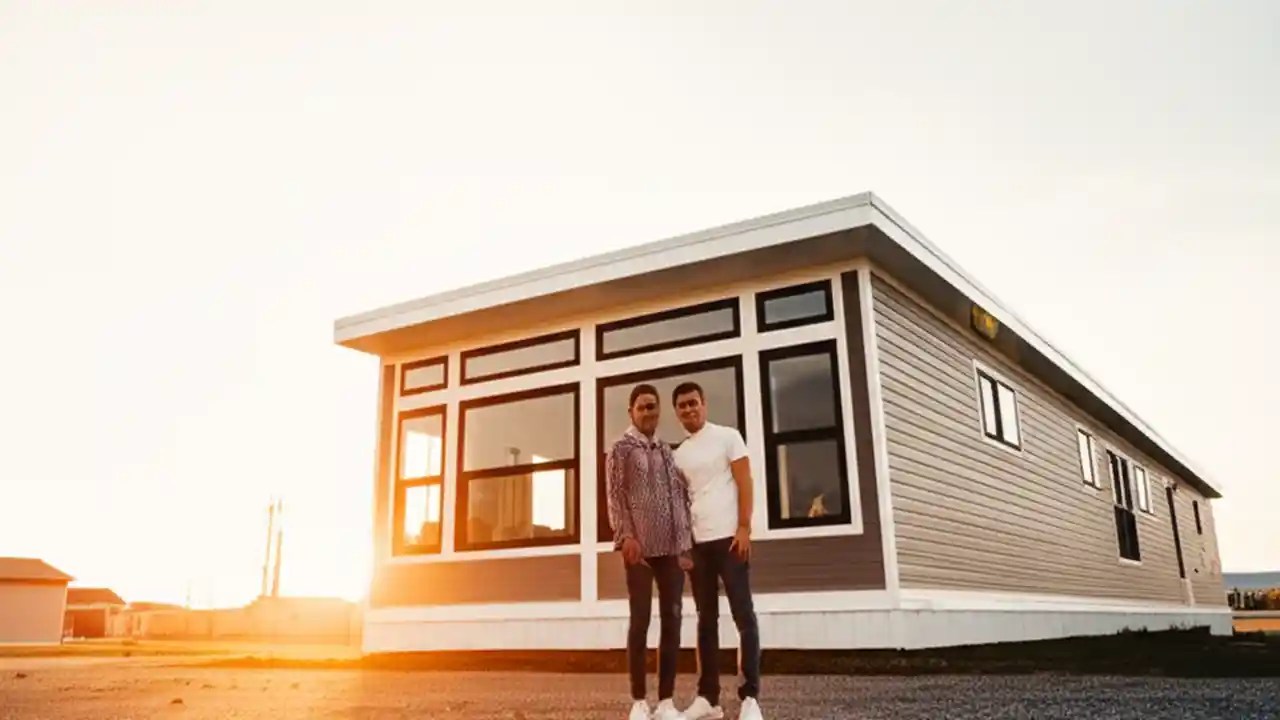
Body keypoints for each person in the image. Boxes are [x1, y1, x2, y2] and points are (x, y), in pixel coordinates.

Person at [671, 381, 763, 720]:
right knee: (705, 621)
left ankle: (750, 698)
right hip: (698, 545)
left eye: (693, 402)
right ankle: (708, 700)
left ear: (704, 404)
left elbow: (745, 481)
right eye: (682, 405)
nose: (689, 409)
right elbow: (680, 503)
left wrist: (744, 527)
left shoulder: (728, 437)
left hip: (730, 540)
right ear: (676, 412)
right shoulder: (679, 455)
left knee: (743, 615)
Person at [605, 383, 695, 720]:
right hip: (638, 549)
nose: (649, 413)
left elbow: (678, 499)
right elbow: (615, 495)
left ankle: (667, 702)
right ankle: (639, 701)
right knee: (640, 620)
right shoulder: (621, 449)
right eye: (643, 407)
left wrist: (684, 544)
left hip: (670, 548)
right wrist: (625, 535)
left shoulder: (666, 451)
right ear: (631, 411)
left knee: (672, 619)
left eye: (653, 407)